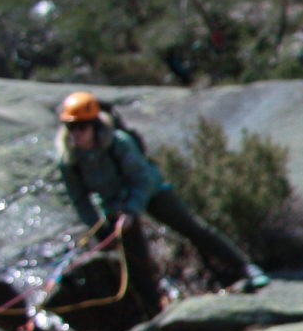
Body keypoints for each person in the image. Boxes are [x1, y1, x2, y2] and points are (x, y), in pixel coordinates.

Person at [54, 91, 270, 301]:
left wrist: (131, 210)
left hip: (150, 191)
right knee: (134, 260)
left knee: (191, 227)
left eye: (82, 127)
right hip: (115, 205)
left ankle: (245, 268)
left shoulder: (118, 143)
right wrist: (100, 229)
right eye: (71, 127)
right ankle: (154, 309)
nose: (76, 134)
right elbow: (79, 199)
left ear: (95, 125)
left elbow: (142, 178)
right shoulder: (69, 159)